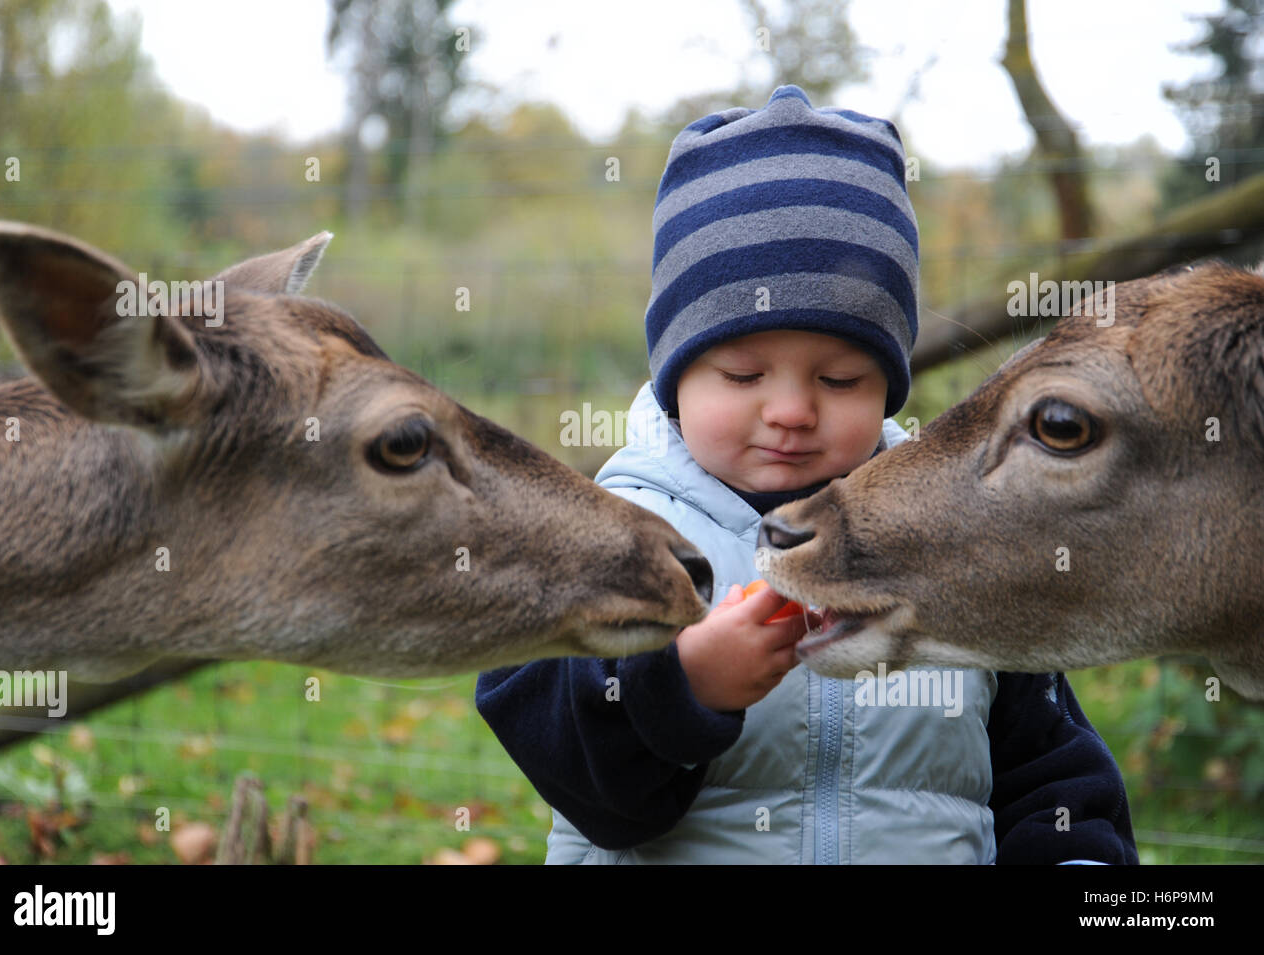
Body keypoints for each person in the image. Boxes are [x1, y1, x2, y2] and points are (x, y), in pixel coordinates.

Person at [476, 85, 1138, 864]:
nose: (791, 409)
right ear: (675, 375)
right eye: (744, 372)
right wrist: (678, 686)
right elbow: (590, 789)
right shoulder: (607, 539)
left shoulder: (955, 543)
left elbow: (1051, 773)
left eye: (840, 380)